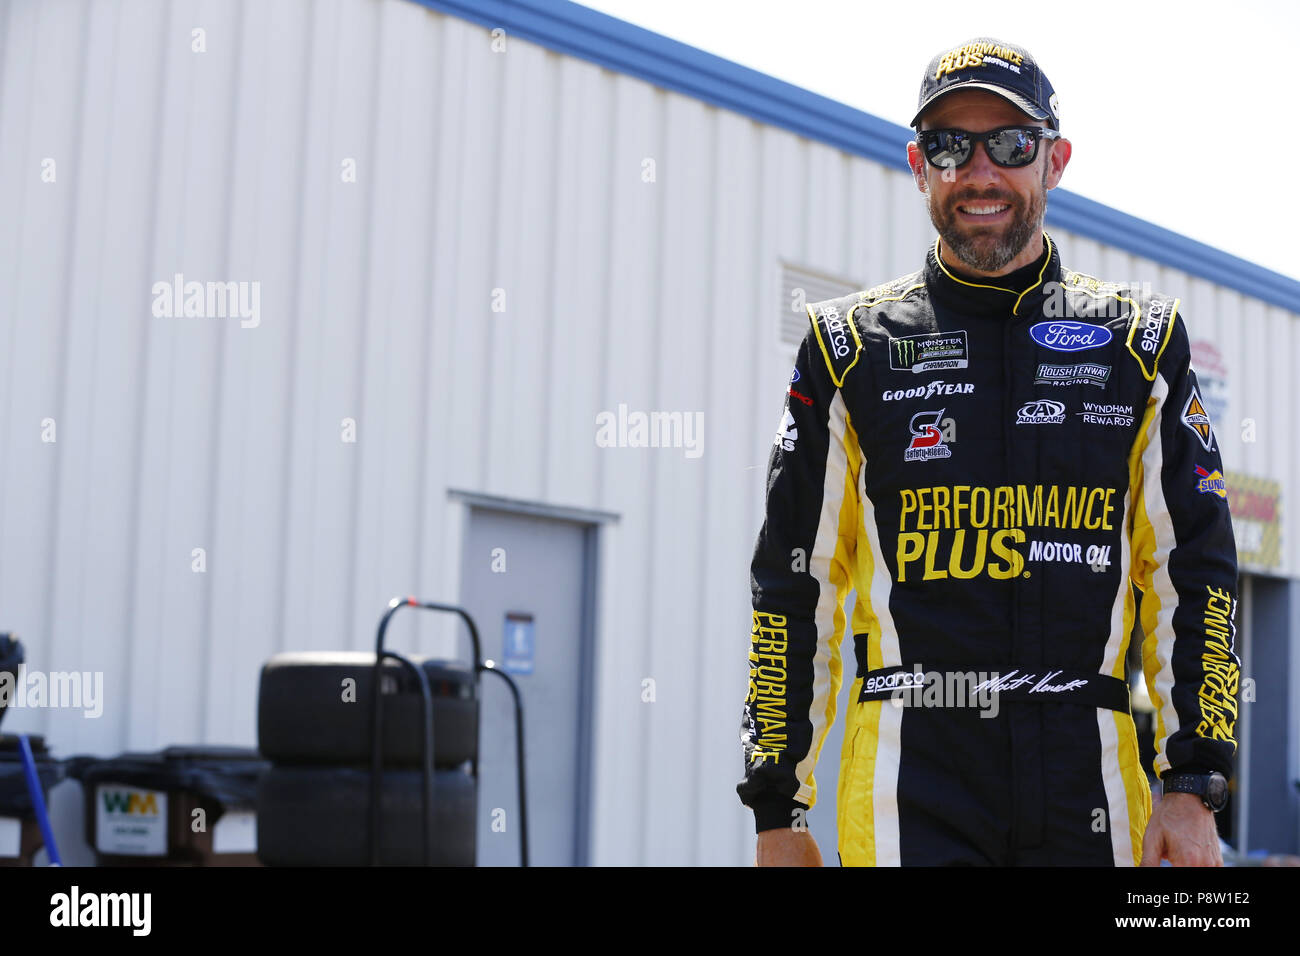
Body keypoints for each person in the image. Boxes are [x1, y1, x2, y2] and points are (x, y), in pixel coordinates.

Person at [738, 37, 1240, 866]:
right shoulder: (845, 347)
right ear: (916, 164)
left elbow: (1195, 571)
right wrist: (775, 809)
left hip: (1091, 786)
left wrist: (1193, 786)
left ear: (1055, 161)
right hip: (911, 785)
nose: (979, 172)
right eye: (948, 145)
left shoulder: (1141, 342)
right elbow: (793, 584)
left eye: (1009, 144)